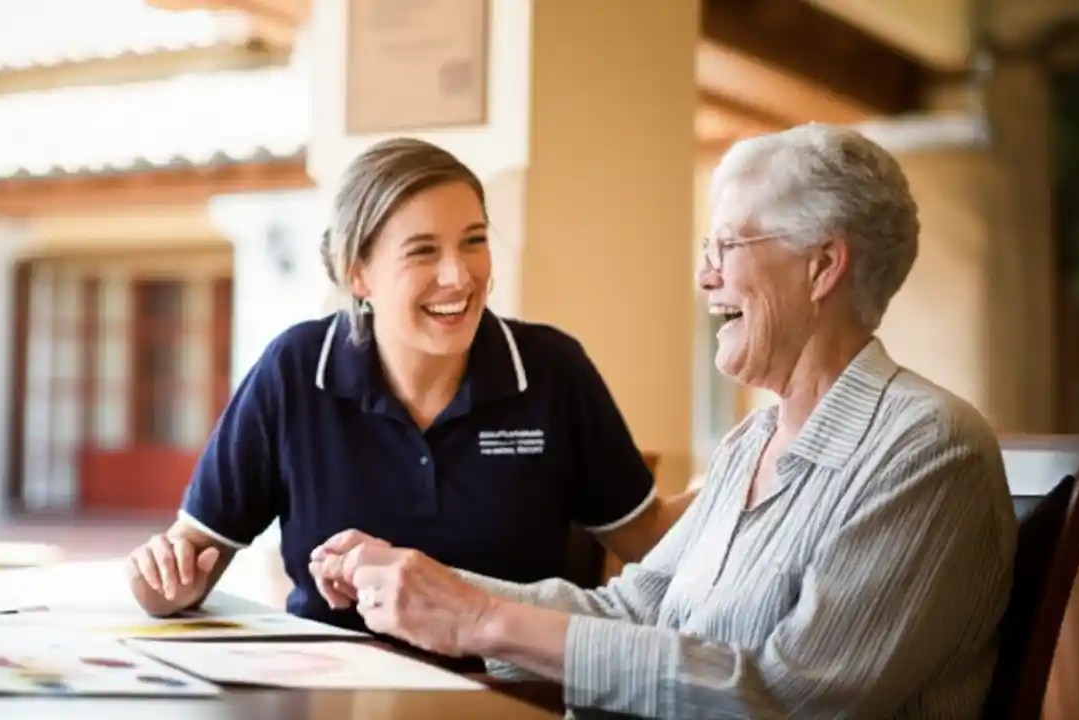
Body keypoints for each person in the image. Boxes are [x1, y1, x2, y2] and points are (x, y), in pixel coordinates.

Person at [309, 124, 1019, 718]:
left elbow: (786, 699)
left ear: (822, 265)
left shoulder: (927, 450)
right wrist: (433, 589)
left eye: (726, 248)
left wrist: (480, 621)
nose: (705, 277)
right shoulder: (753, 442)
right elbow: (635, 611)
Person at [125, 138, 695, 646]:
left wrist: (763, 466)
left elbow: (649, 538)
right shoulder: (295, 370)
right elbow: (193, 553)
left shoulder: (552, 369)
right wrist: (163, 584)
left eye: (474, 241)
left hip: (507, 696)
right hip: (333, 696)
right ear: (358, 273)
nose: (459, 275)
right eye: (423, 251)